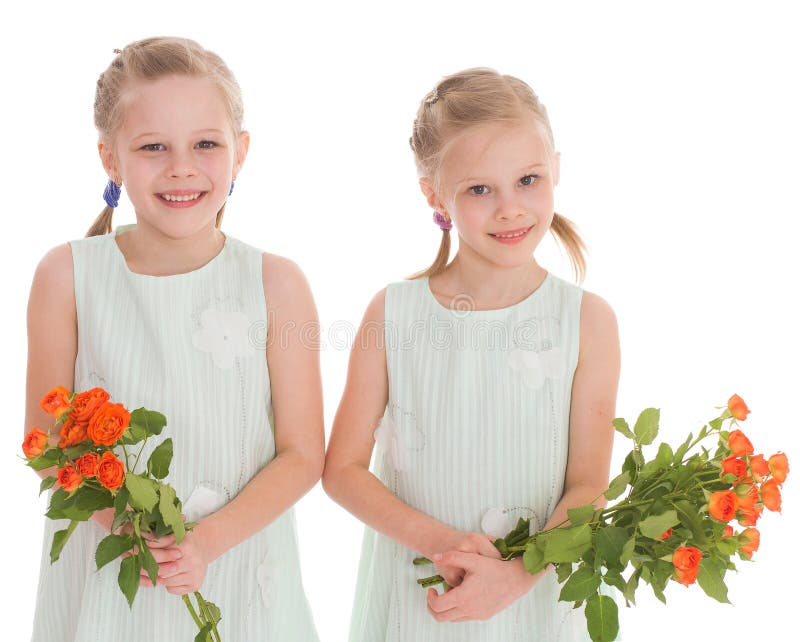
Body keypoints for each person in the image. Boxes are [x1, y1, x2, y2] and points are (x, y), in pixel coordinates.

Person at [24, 37, 322, 641]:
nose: (181, 166)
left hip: (238, 568)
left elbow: (301, 454)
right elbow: (49, 445)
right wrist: (131, 532)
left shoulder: (276, 283)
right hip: (112, 567)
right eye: (153, 146)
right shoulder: (68, 276)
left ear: (240, 153)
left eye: (205, 145)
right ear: (111, 159)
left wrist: (205, 542)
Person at [323, 68, 621, 641]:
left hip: (536, 595)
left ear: (555, 169)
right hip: (423, 593)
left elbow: (587, 484)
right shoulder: (393, 314)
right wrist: (442, 543)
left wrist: (519, 572)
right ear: (434, 194)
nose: (510, 208)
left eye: (528, 180)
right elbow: (342, 470)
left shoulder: (587, 321)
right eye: (480, 189)